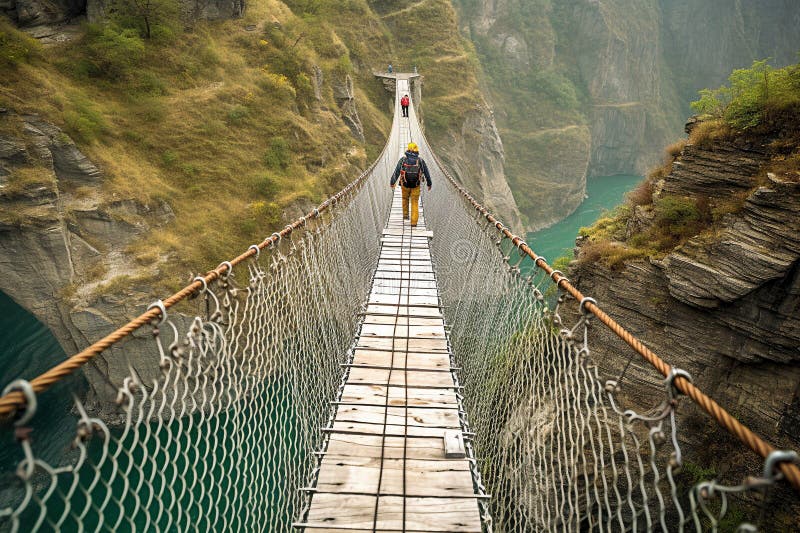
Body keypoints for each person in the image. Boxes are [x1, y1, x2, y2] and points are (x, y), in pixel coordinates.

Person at [390, 142, 432, 227]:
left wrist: (392, 182)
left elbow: (396, 172)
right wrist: (429, 183)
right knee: (415, 202)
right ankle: (413, 222)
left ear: (408, 149)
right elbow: (426, 172)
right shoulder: (420, 161)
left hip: (404, 184)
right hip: (416, 186)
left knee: (405, 199)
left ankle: (405, 216)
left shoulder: (403, 160)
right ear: (417, 150)